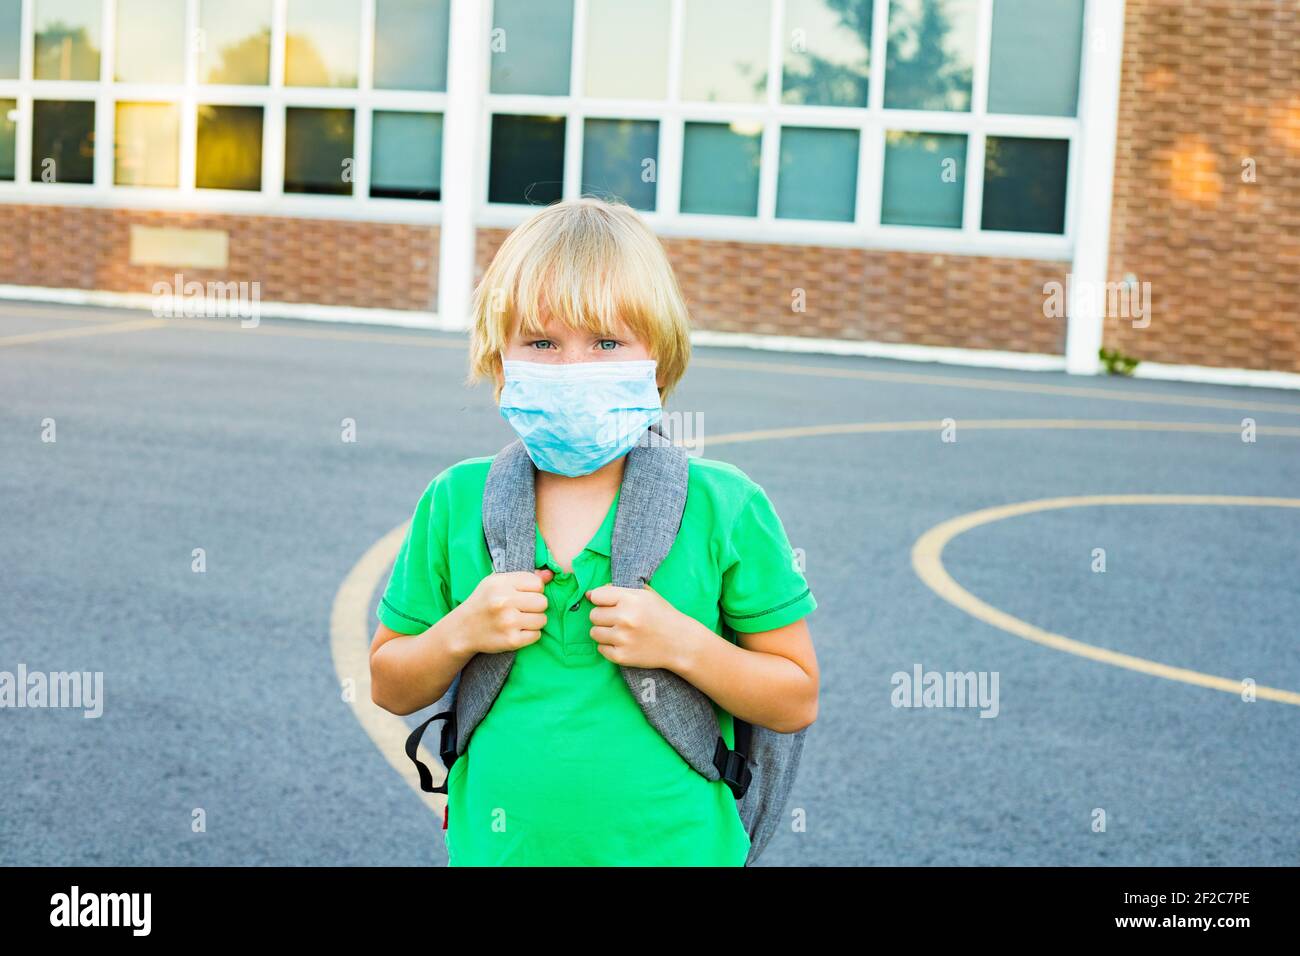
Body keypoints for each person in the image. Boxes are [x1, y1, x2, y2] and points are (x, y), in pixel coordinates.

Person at [368, 197, 819, 866]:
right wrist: (460, 631)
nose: (572, 369)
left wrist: (683, 644)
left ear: (657, 362)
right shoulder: (456, 501)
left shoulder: (726, 506)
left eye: (606, 342)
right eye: (541, 342)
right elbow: (390, 682)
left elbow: (795, 698)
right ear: (500, 360)